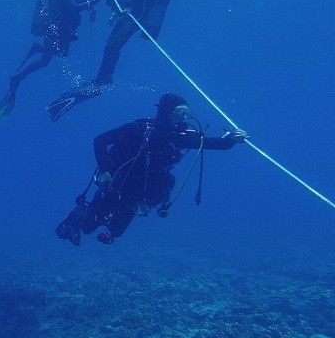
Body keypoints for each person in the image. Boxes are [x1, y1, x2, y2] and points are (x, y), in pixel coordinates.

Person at [55, 93, 247, 245]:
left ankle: (107, 224)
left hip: (138, 194)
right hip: (118, 183)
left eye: (187, 113)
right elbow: (100, 140)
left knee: (116, 232)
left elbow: (213, 143)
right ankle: (76, 217)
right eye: (181, 112)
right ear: (168, 111)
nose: (185, 117)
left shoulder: (180, 136)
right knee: (87, 227)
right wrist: (105, 170)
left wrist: (231, 140)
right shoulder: (140, 128)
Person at [47, 0, 173, 121]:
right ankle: (103, 77)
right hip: (131, 16)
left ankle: (104, 78)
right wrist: (118, 10)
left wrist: (124, 9)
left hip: (133, 17)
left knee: (112, 46)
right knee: (112, 45)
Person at [0, 0, 104, 121]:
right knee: (47, 59)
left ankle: (24, 68)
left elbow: (81, 2)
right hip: (56, 28)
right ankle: (21, 72)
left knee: (53, 57)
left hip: (62, 29)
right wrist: (92, 2)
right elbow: (73, 7)